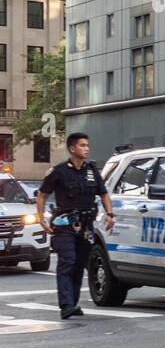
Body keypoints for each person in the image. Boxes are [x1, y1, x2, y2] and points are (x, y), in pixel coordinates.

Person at [35, 133, 115, 318]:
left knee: (79, 264)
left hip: (86, 226)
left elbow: (103, 194)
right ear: (72, 149)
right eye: (82, 145)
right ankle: (65, 305)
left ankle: (73, 302)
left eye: (87, 145)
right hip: (65, 225)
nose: (86, 148)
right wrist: (41, 218)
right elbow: (42, 194)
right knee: (67, 262)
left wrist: (110, 214)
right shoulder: (59, 171)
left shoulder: (91, 170)